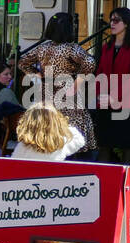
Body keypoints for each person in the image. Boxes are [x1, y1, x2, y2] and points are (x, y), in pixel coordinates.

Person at [19, 11, 97, 157]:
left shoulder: (43, 47)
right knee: (70, 130)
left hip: (46, 92)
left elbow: (22, 62)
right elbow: (90, 62)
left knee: (47, 127)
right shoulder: (70, 48)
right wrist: (78, 82)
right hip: (66, 92)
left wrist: (36, 74)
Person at [95, 7, 130, 161]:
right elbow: (100, 73)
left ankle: (125, 182)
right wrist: (99, 95)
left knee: (125, 143)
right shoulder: (107, 47)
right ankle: (104, 180)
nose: (112, 23)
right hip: (104, 103)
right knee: (104, 143)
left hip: (126, 103)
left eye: (116, 20)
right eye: (111, 19)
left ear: (127, 24)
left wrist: (114, 97)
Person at [11, 104, 84, 160]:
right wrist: (61, 126)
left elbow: (12, 165)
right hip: (54, 178)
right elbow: (80, 140)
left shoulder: (23, 147)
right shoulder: (63, 143)